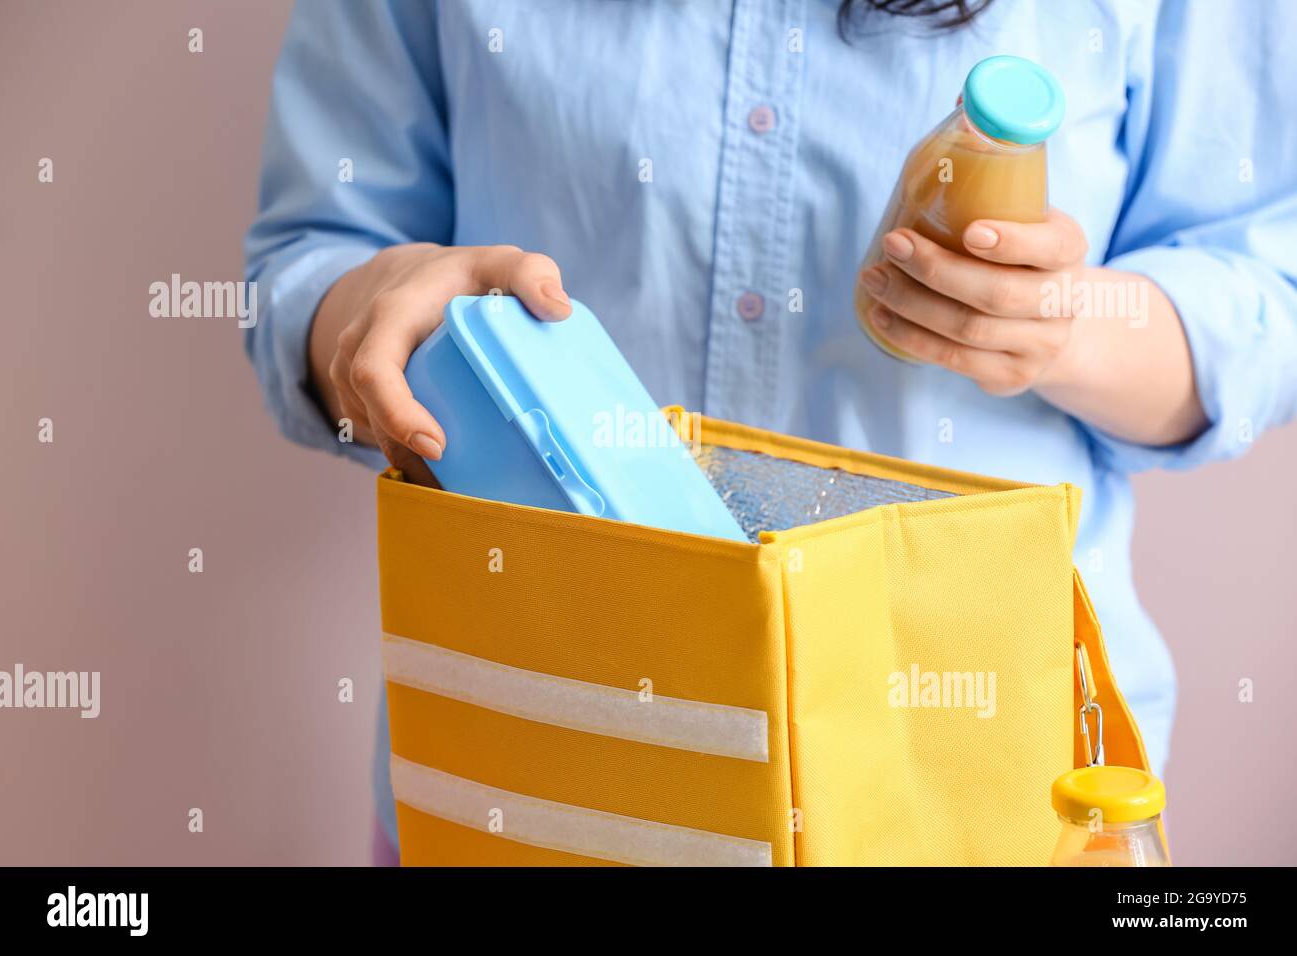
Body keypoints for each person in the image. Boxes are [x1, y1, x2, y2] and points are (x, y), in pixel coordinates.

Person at [244, 0, 1297, 864]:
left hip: (972, 789)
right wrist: (373, 309)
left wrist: (1063, 326)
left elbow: (1267, 289)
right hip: (546, 772)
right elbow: (310, 257)